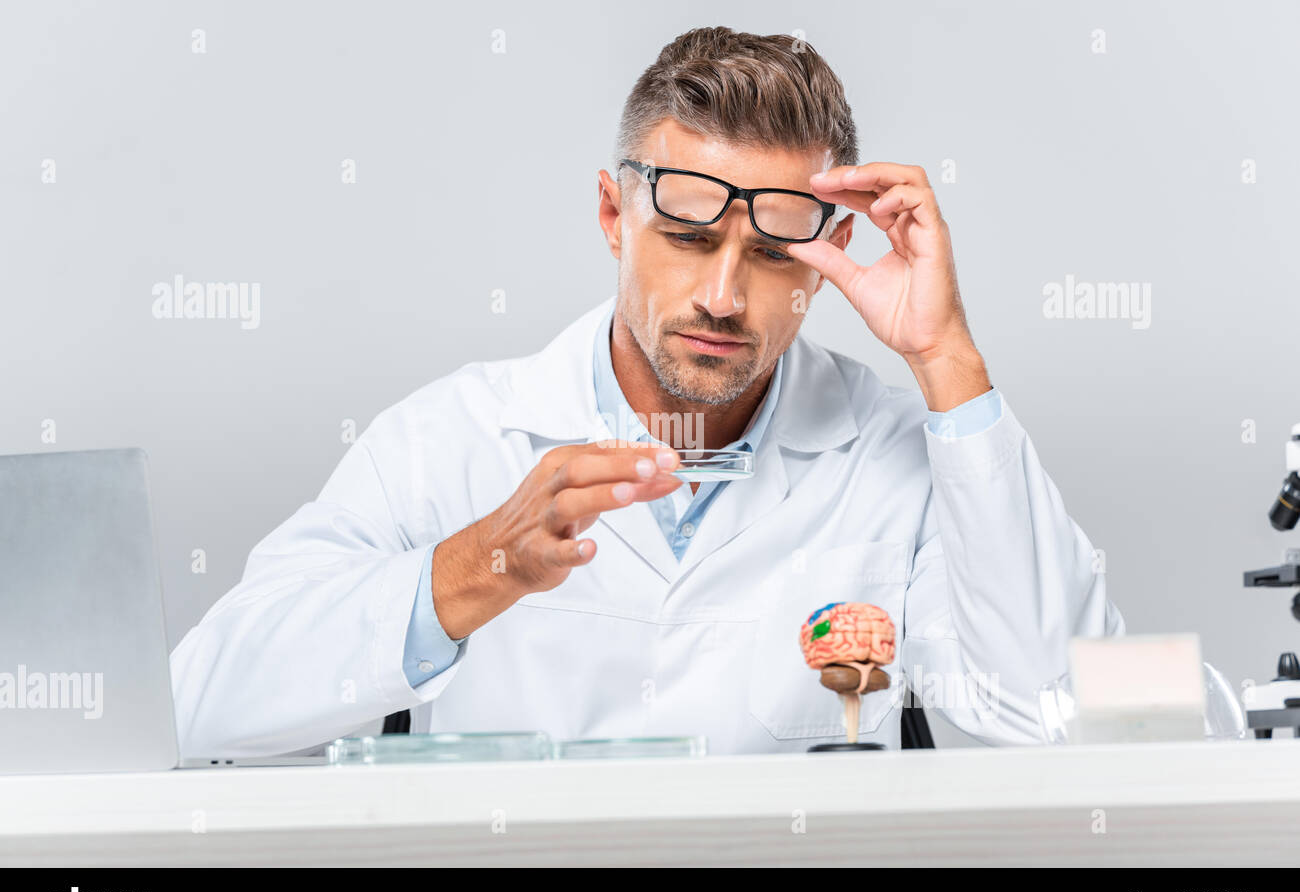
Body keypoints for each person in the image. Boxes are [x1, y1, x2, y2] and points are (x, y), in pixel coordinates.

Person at [171, 26, 1124, 757]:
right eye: (691, 239)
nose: (722, 296)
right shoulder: (450, 442)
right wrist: (472, 570)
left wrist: (946, 359)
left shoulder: (890, 452)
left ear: (828, 258)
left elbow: (1047, 716)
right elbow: (202, 700)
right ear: (611, 216)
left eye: (772, 254)